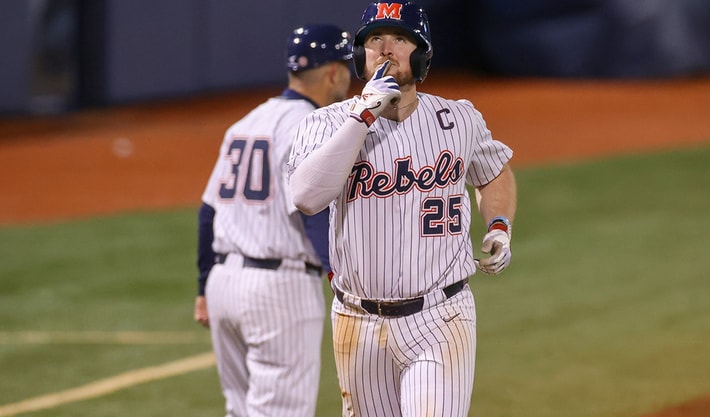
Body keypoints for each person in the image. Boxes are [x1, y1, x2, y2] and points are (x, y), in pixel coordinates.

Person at [287, 2, 517, 416]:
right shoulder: (323, 123)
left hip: (440, 317)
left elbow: (494, 170)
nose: (387, 48)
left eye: (400, 38)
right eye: (375, 39)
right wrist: (362, 116)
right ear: (360, 55)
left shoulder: (458, 118)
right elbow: (306, 197)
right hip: (357, 322)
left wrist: (499, 225)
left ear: (423, 52)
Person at [193, 24, 353, 417]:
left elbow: (208, 212)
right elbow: (310, 210)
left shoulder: (246, 123)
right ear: (332, 71)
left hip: (223, 284)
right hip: (279, 292)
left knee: (240, 409)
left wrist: (202, 287)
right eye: (347, 67)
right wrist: (342, 280)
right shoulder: (313, 126)